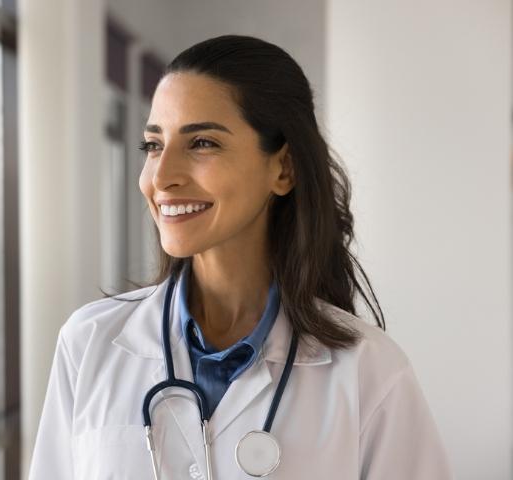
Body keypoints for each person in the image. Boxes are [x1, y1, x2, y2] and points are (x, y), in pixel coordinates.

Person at [28, 35, 453, 479]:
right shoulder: (88, 343)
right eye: (153, 145)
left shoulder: (371, 374)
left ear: (283, 169)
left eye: (203, 143)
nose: (163, 177)